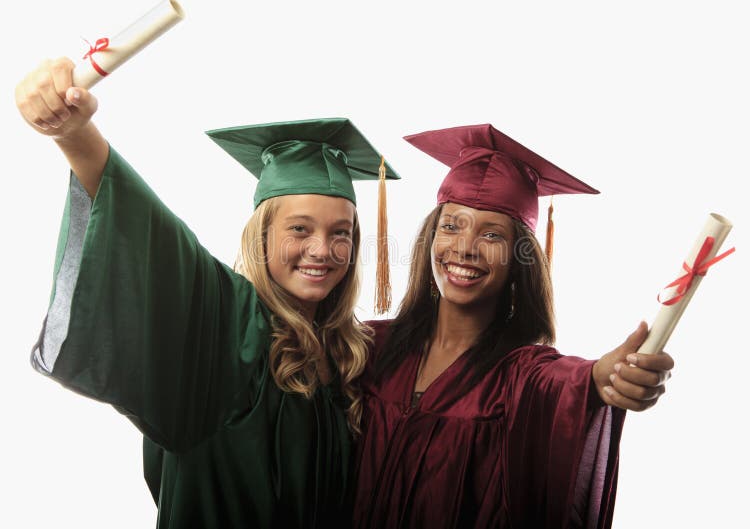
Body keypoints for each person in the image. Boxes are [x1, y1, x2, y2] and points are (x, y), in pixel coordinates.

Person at [15, 57, 399, 529]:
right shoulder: (230, 322)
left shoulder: (350, 353)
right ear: (262, 235)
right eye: (300, 228)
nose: (322, 249)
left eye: (341, 232)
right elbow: (155, 239)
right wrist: (75, 135)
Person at [350, 124, 675, 529]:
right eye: (451, 225)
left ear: (520, 259)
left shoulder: (520, 374)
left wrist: (602, 377)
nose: (465, 247)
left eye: (491, 234)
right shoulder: (371, 347)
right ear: (431, 238)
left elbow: (564, 382)